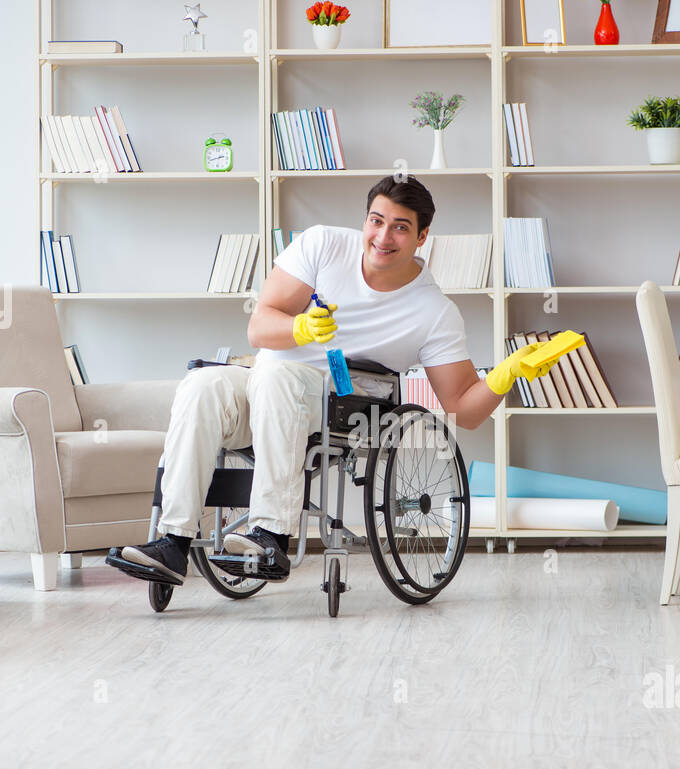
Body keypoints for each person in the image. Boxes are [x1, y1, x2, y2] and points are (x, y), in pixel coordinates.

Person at [108, 175, 563, 584]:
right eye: (376, 220)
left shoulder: (434, 312)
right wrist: (298, 328)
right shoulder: (323, 245)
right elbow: (259, 326)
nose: (383, 237)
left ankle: (271, 534)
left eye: (400, 227)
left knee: (280, 375)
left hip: (341, 406)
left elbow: (463, 409)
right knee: (202, 387)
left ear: (422, 237)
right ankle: (173, 542)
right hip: (264, 382)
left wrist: (506, 375)